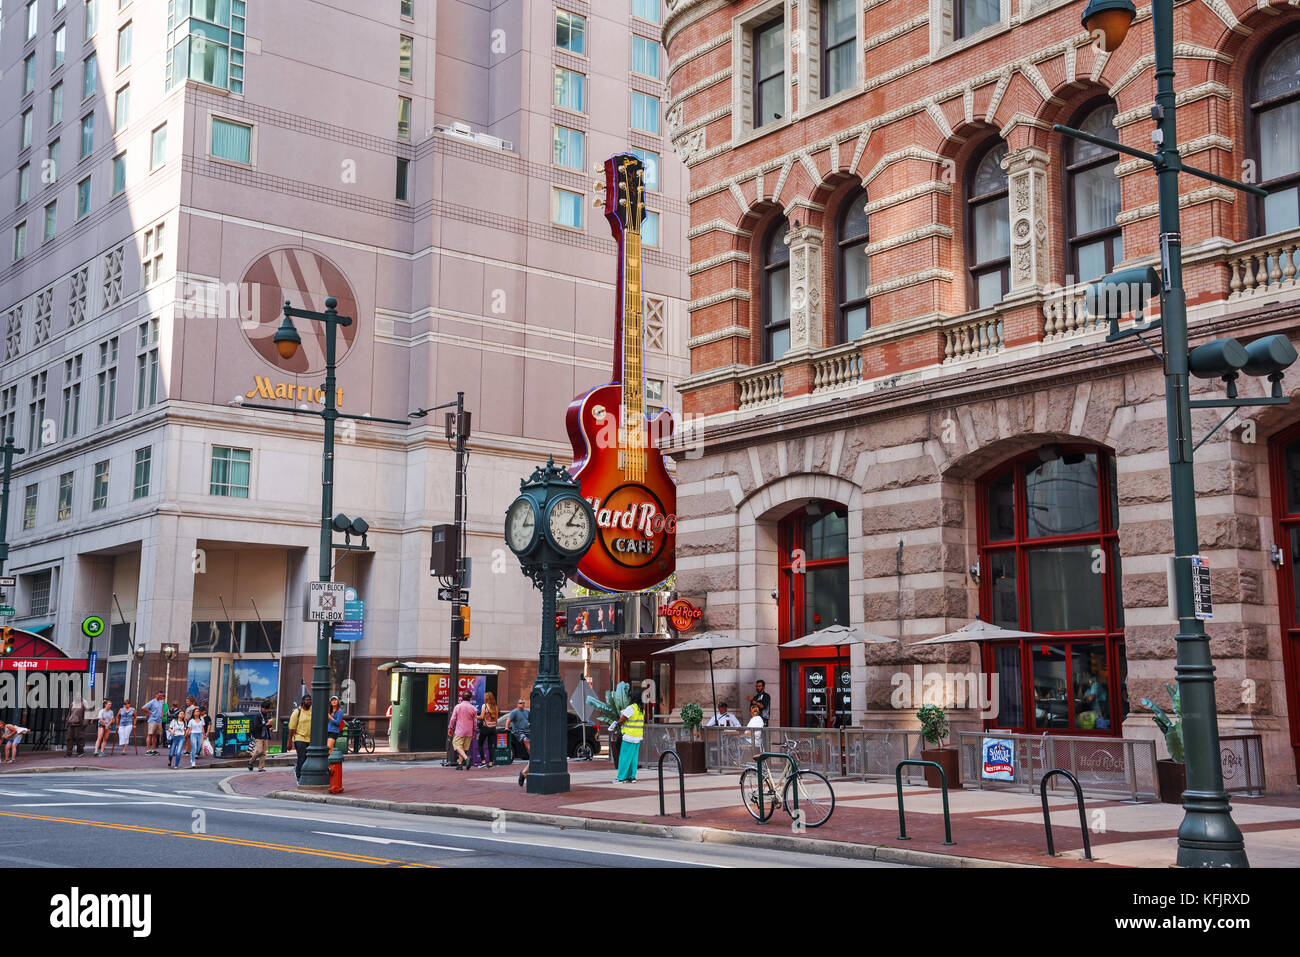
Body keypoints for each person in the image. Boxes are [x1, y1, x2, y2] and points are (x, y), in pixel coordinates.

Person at [613, 694, 646, 783]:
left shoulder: (631, 708)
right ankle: (632, 777)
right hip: (637, 736)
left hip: (629, 736)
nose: (628, 699)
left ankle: (621, 777)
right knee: (633, 758)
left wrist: (617, 724)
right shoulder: (641, 709)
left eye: (629, 697)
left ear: (632, 698)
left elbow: (622, 719)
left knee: (624, 757)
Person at [448, 690, 478, 770]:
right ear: (470, 698)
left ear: (462, 698)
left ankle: (466, 758)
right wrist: (474, 730)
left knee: (456, 744)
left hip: (460, 730)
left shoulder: (458, 707)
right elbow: (475, 722)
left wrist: (450, 728)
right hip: (469, 731)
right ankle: (460, 764)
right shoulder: (473, 708)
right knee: (463, 747)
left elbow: (453, 719)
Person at [506, 698, 530, 787]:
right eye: (520, 703)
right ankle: (524, 774)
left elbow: (531, 719)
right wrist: (506, 727)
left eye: (523, 703)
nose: (522, 704)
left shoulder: (527, 711)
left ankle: (524, 774)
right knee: (525, 740)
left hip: (528, 731)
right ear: (517, 704)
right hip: (519, 732)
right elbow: (508, 720)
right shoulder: (514, 712)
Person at [288, 694, 313, 781]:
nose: (309, 701)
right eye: (307, 700)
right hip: (299, 738)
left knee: (307, 758)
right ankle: (299, 776)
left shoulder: (312, 710)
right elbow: (291, 728)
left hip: (310, 738)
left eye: (310, 700)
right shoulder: (297, 712)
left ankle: (298, 769)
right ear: (302, 701)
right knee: (302, 757)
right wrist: (289, 742)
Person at [248, 700, 274, 772]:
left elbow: (268, 725)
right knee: (259, 751)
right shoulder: (258, 716)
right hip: (259, 736)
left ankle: (261, 767)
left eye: (267, 709)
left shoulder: (267, 715)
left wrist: (270, 728)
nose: (266, 710)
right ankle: (250, 761)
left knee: (264, 752)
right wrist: (265, 725)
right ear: (262, 708)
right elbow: (257, 726)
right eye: (265, 709)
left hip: (265, 736)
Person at [476, 691, 499, 769]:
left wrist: (475, 716)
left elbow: (482, 717)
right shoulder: (495, 707)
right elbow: (496, 720)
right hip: (493, 729)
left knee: (480, 744)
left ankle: (483, 762)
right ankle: (490, 763)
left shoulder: (484, 706)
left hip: (485, 728)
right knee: (490, 746)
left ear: (486, 698)